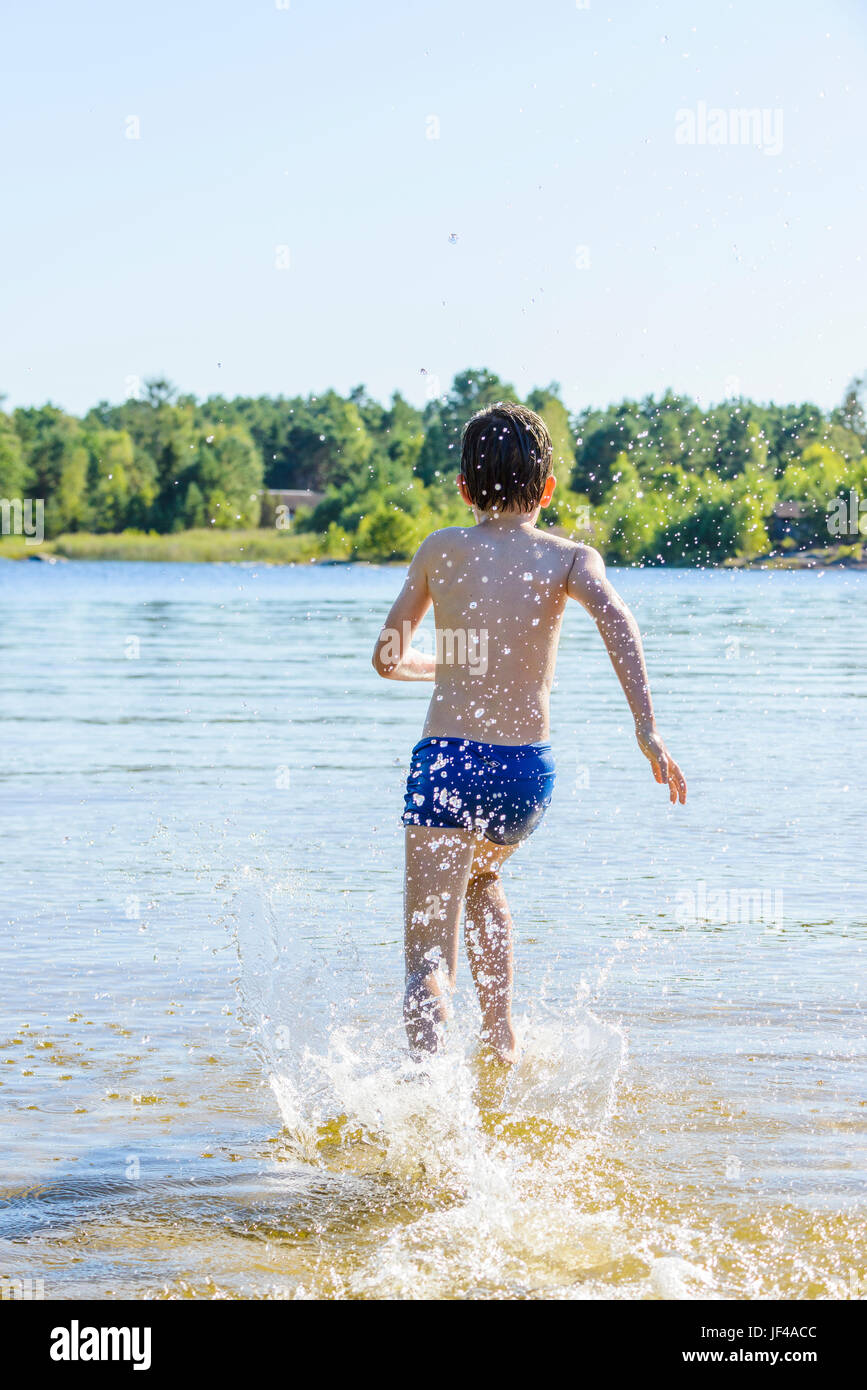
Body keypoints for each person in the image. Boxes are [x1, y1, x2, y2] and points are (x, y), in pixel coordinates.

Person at [372, 402, 686, 1062]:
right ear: (546, 489)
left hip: (446, 764)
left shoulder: (440, 549)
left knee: (426, 958)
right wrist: (646, 727)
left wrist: (445, 663)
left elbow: (386, 657)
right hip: (523, 773)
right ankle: (498, 1037)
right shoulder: (569, 559)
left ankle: (434, 1109)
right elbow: (618, 620)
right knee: (483, 881)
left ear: (463, 488)